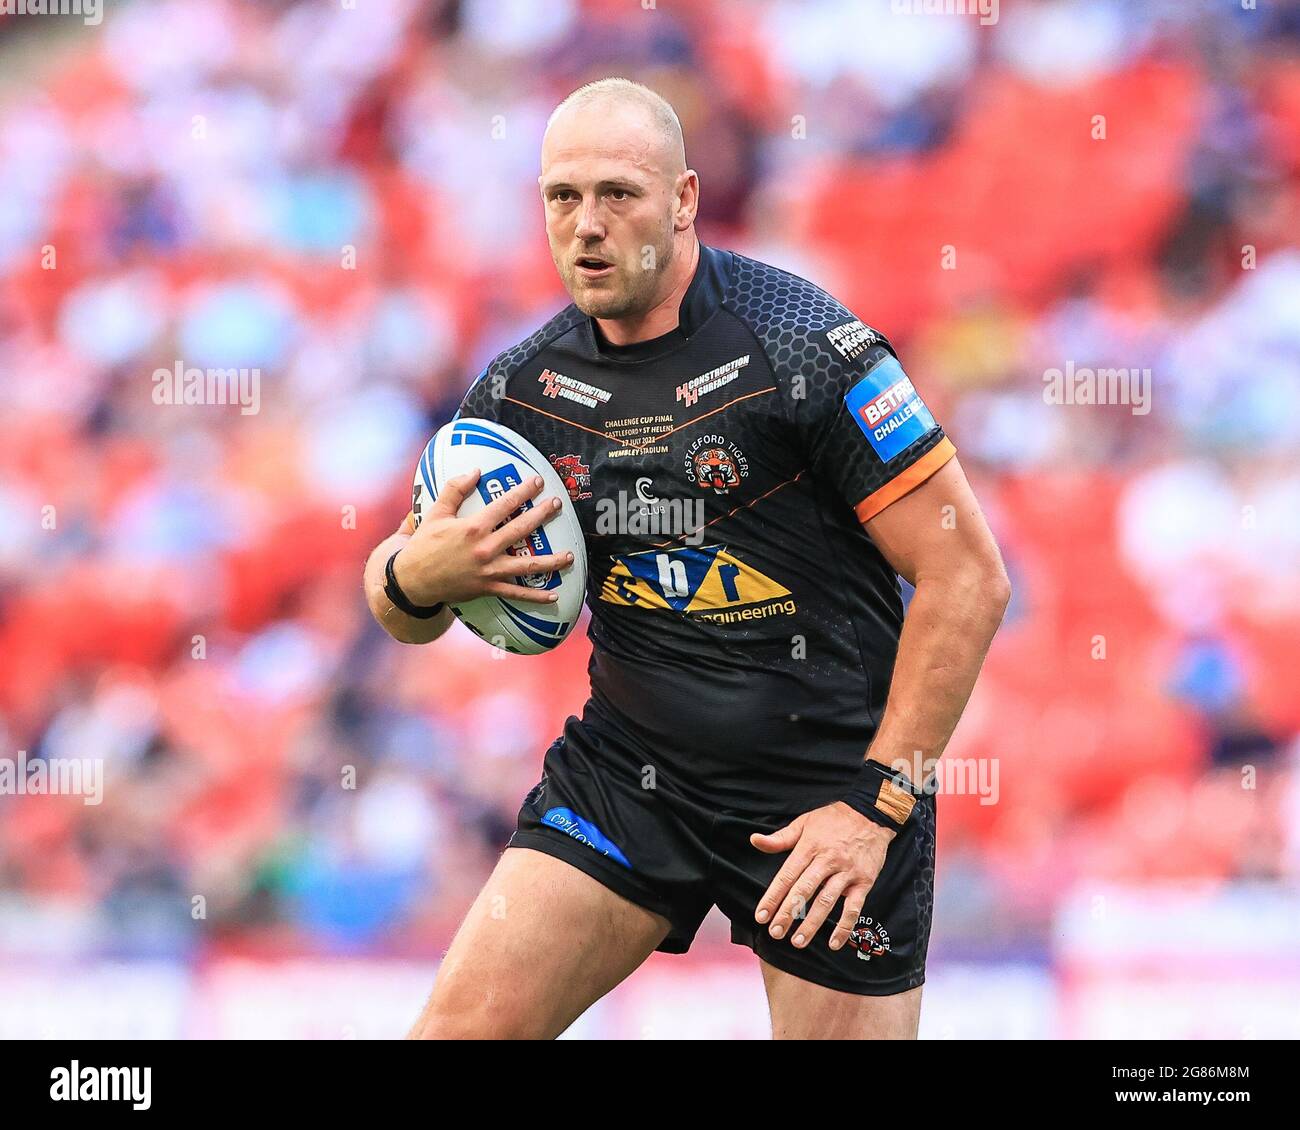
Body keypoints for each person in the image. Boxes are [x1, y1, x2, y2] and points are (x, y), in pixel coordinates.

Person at [363, 78, 1010, 1040]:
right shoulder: (520, 392)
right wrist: (417, 576)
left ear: (684, 199)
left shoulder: (804, 348)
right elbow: (398, 598)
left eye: (618, 194)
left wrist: (877, 807)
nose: (586, 225)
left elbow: (969, 577)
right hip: (630, 776)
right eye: (561, 197)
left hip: (826, 792)